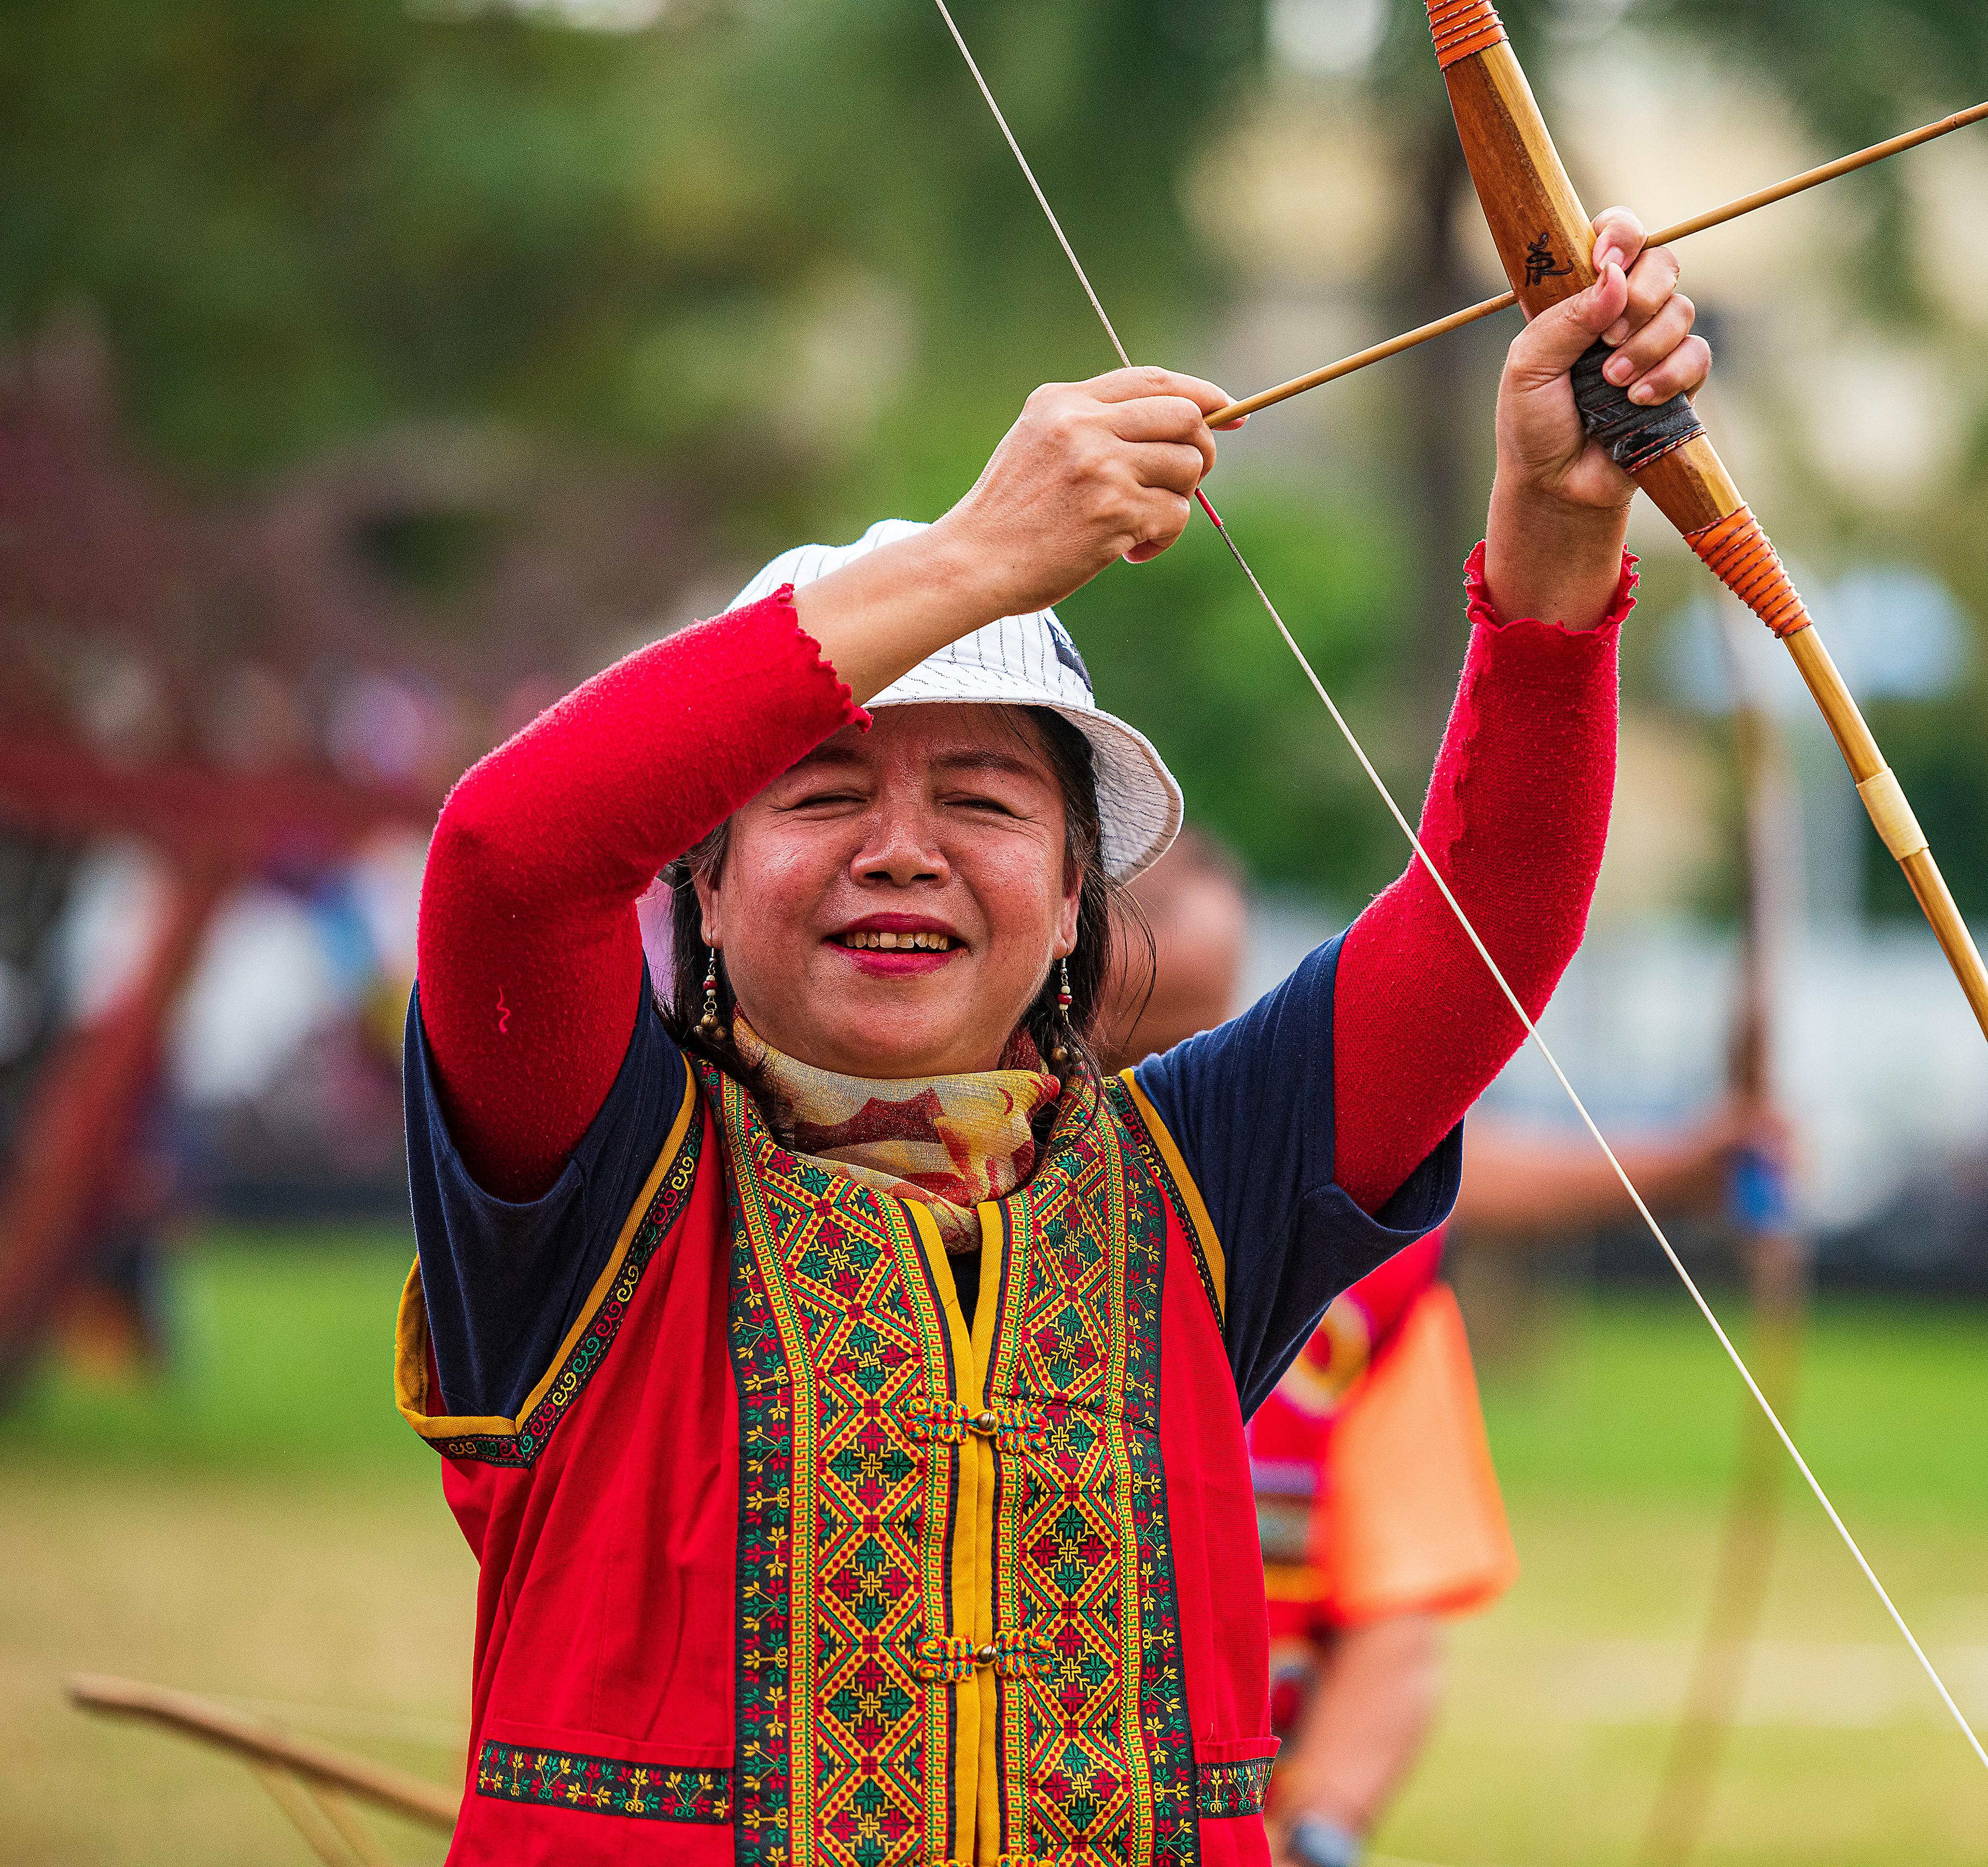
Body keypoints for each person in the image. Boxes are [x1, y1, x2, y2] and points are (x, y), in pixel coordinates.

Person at [398, 207, 1707, 1864]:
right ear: (704, 886)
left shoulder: (1195, 1181)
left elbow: (1485, 932)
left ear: (1079, 892)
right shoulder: (584, 1176)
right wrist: (979, 560)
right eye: (822, 795)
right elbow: (509, 859)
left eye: (982, 798)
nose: (902, 850)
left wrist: (1557, 516)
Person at [1101, 834, 1781, 1867]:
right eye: (1142, 866)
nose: (1184, 883)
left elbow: (1394, 1615)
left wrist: (1317, 1831)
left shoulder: (1360, 1273)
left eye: (1201, 870)